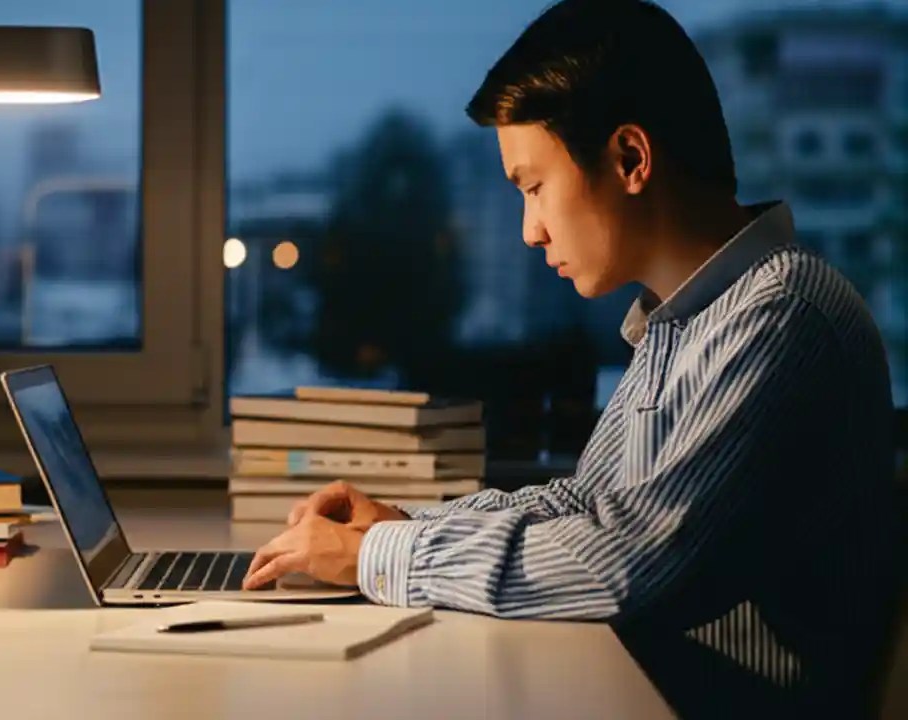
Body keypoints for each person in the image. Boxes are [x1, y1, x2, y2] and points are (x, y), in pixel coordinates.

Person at [243, 0, 899, 710]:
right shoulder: (688, 317)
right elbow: (585, 503)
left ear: (630, 159)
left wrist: (373, 559)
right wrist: (405, 526)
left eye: (534, 188)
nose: (530, 231)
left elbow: (623, 558)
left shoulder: (778, 318)